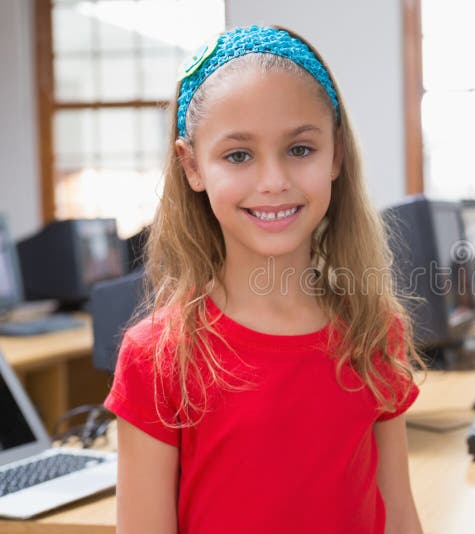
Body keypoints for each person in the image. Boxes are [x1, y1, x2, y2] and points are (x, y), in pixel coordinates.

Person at [104, 26, 425, 534]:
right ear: (192, 166)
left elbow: (400, 516)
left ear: (336, 154)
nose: (273, 181)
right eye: (238, 155)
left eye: (300, 149)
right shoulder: (157, 357)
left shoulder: (374, 332)